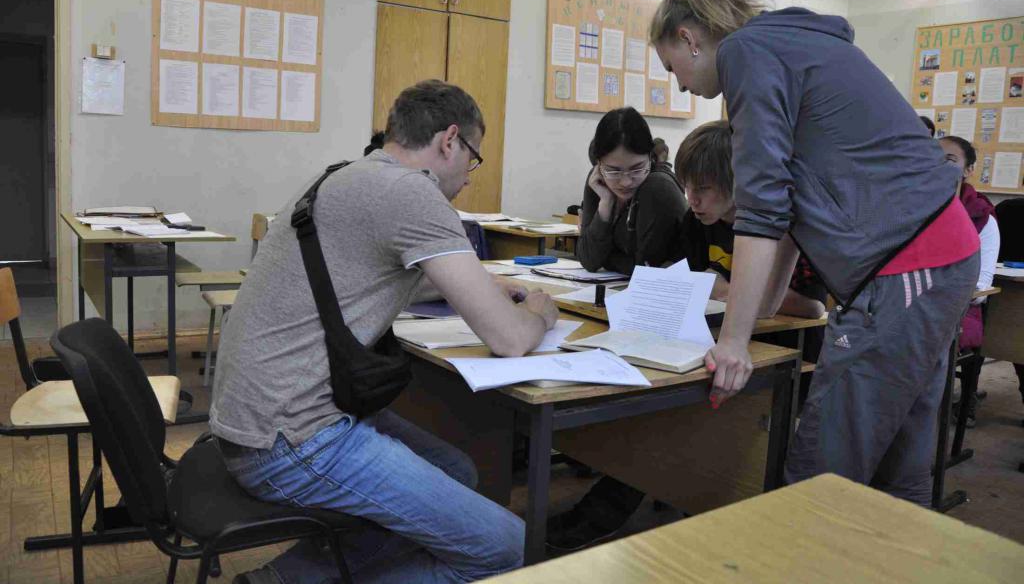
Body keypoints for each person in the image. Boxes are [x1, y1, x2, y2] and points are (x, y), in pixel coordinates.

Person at [650, 0, 979, 506]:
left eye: (671, 66)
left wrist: (732, 342)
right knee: (900, 453)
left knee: (822, 467)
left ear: (690, 39)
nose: (679, 82)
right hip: (934, 257)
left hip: (905, 264)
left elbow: (759, 209)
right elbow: (783, 209)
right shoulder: (791, 45)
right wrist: (761, 308)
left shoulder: (745, 54)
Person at [211, 80, 559, 584]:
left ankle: (284, 580)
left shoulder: (345, 175)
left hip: (253, 419)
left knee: (457, 471)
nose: (468, 177)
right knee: (511, 550)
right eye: (473, 158)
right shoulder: (411, 192)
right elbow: (509, 339)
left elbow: (373, 277)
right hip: (291, 440)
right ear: (450, 140)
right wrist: (541, 314)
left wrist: (487, 285)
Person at [547, 120, 826, 553]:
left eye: (705, 189)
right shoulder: (699, 221)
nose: (692, 201)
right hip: (708, 339)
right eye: (689, 187)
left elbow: (811, 306)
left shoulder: (778, 226)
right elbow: (688, 279)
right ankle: (620, 504)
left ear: (739, 184)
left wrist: (730, 287)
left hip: (779, 355)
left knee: (672, 426)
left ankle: (620, 510)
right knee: (651, 410)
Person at [577, 107, 688, 275]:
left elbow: (647, 269)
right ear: (599, 164)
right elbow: (588, 260)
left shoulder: (658, 187)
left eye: (637, 169)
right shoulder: (597, 182)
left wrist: (607, 258)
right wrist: (605, 204)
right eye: (614, 171)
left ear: (650, 157)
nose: (626, 181)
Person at [938, 135, 1000, 427]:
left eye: (949, 160)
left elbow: (980, 291)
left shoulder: (982, 217)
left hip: (956, 310)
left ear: (968, 170)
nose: (938, 166)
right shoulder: (908, 205)